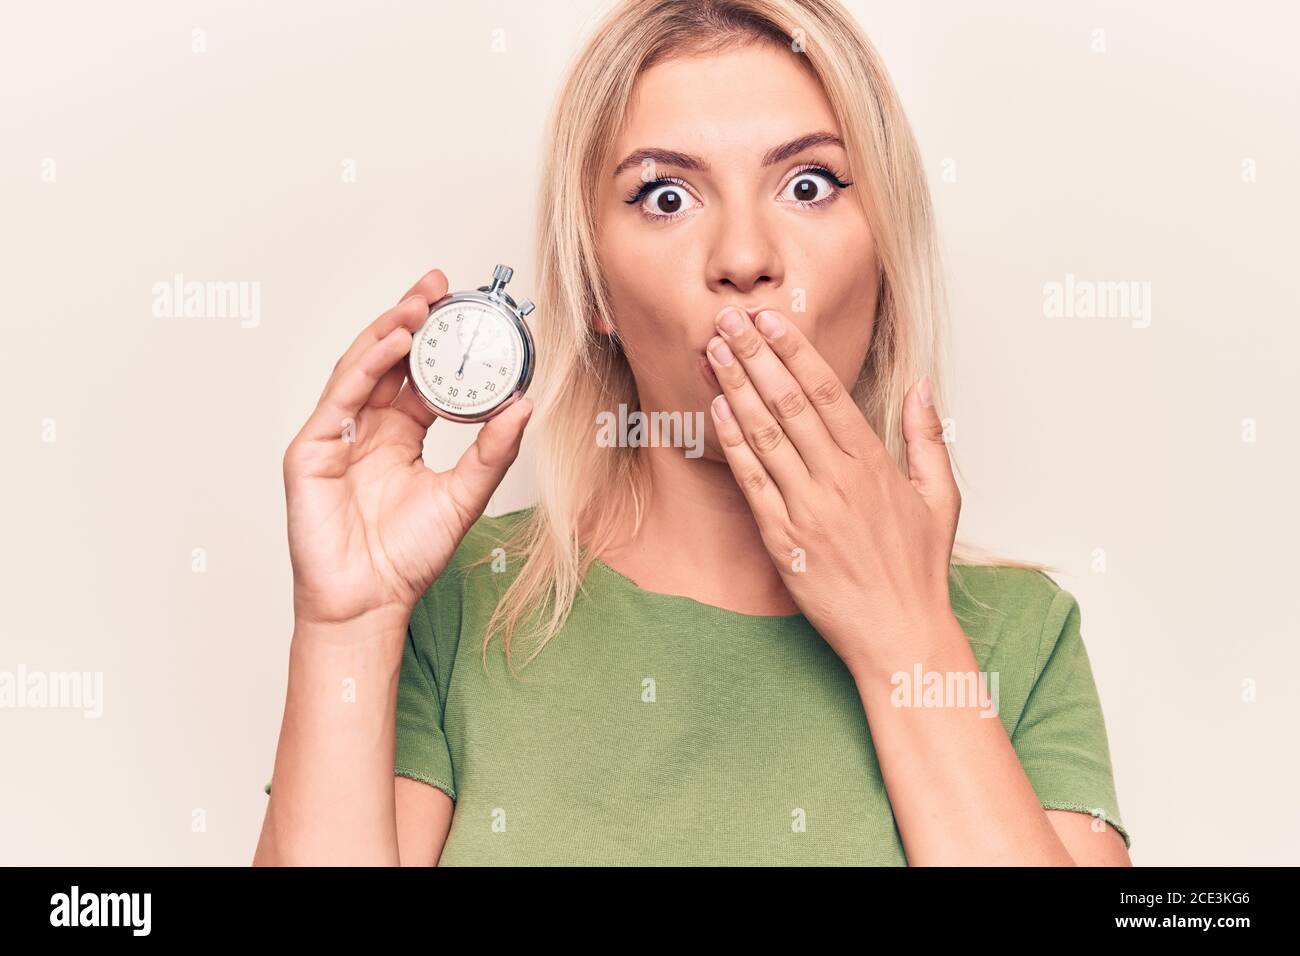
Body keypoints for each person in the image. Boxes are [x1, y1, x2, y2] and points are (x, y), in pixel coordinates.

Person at [254, 0, 1131, 866]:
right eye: (666, 196)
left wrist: (905, 633)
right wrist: (350, 623)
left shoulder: (1020, 634)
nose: (744, 257)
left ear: (885, 250)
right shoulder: (451, 608)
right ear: (593, 289)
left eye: (809, 184)